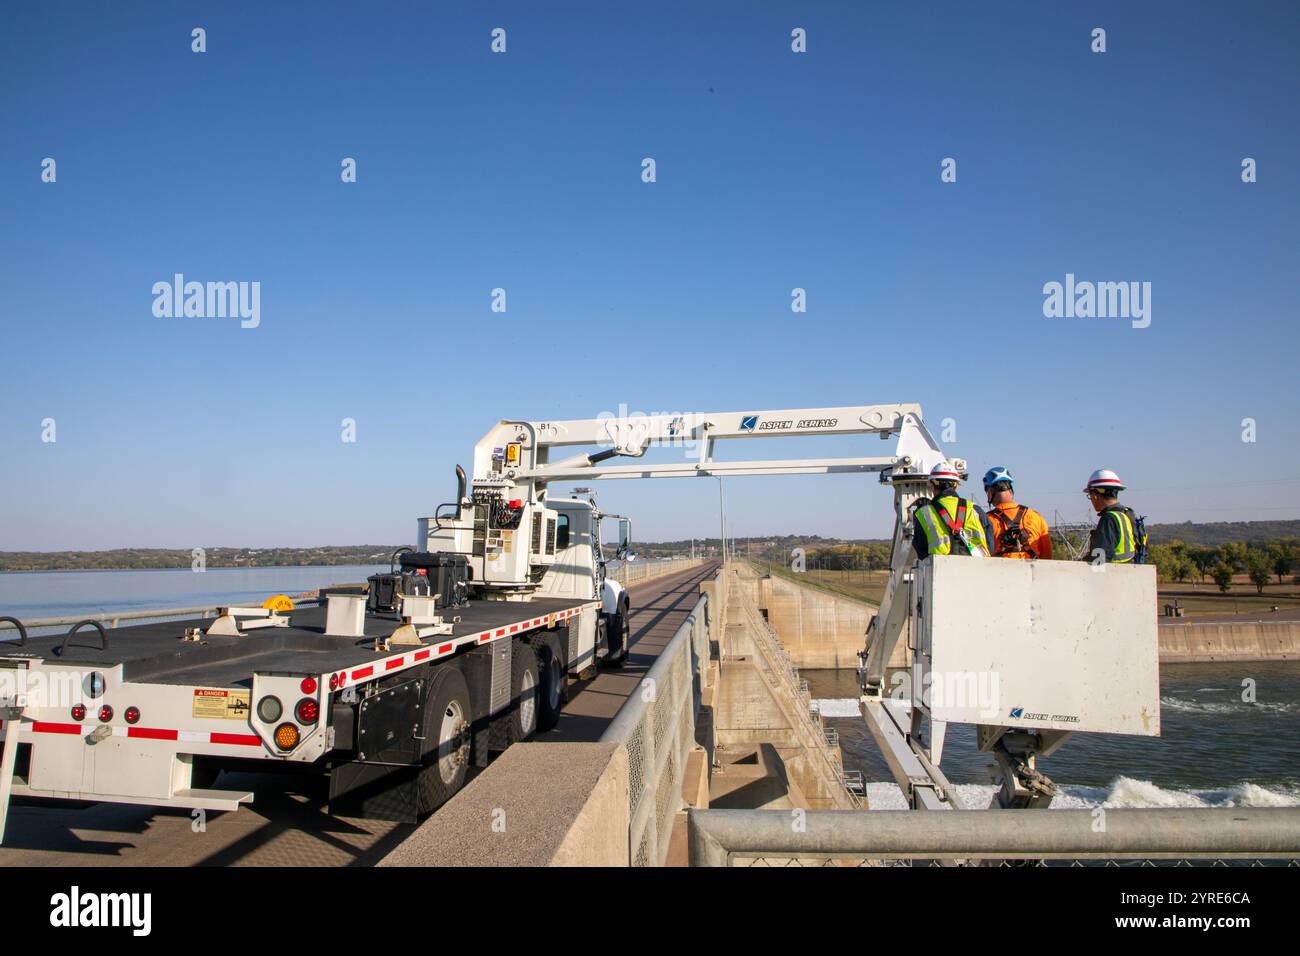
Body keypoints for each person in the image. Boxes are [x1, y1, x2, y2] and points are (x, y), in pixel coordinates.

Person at [912, 461, 990, 559]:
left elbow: (921, 551)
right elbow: (990, 543)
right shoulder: (975, 509)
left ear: (932, 485)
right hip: (977, 570)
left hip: (940, 572)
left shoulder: (924, 513)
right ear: (956, 486)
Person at [981, 466, 1053, 560]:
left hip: (999, 572)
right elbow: (1047, 556)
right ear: (1011, 489)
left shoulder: (986, 520)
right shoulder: (1036, 517)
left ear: (990, 492)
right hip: (1032, 572)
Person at [1083, 469, 1144, 564]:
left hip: (1113, 575)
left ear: (1094, 495)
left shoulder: (1109, 519)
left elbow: (1099, 560)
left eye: (1089, 495)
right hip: (1129, 572)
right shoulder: (1127, 514)